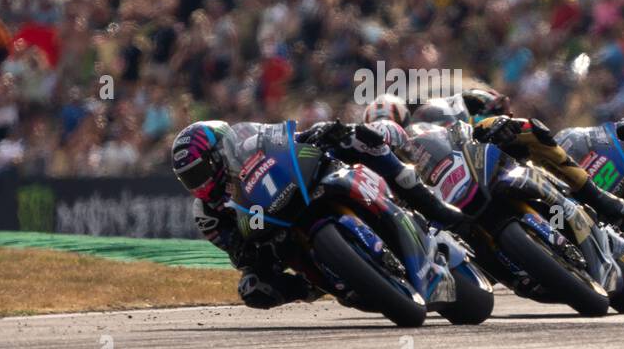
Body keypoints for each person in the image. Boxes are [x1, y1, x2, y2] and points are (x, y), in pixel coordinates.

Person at [171, 118, 467, 310]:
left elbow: (286, 139)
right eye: (189, 180)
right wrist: (241, 249)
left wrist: (321, 132)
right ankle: (314, 285)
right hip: (276, 234)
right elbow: (233, 251)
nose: (198, 185)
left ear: (218, 154)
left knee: (356, 137)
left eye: (199, 172)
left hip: (304, 184)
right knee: (252, 289)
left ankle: (426, 202)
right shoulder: (207, 213)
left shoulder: (247, 142)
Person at [412, 87, 624, 224]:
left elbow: (514, 125)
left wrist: (502, 127)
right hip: (466, 201)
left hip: (503, 164)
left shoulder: (480, 122)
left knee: (532, 129)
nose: (508, 113)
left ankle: (596, 196)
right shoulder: (426, 155)